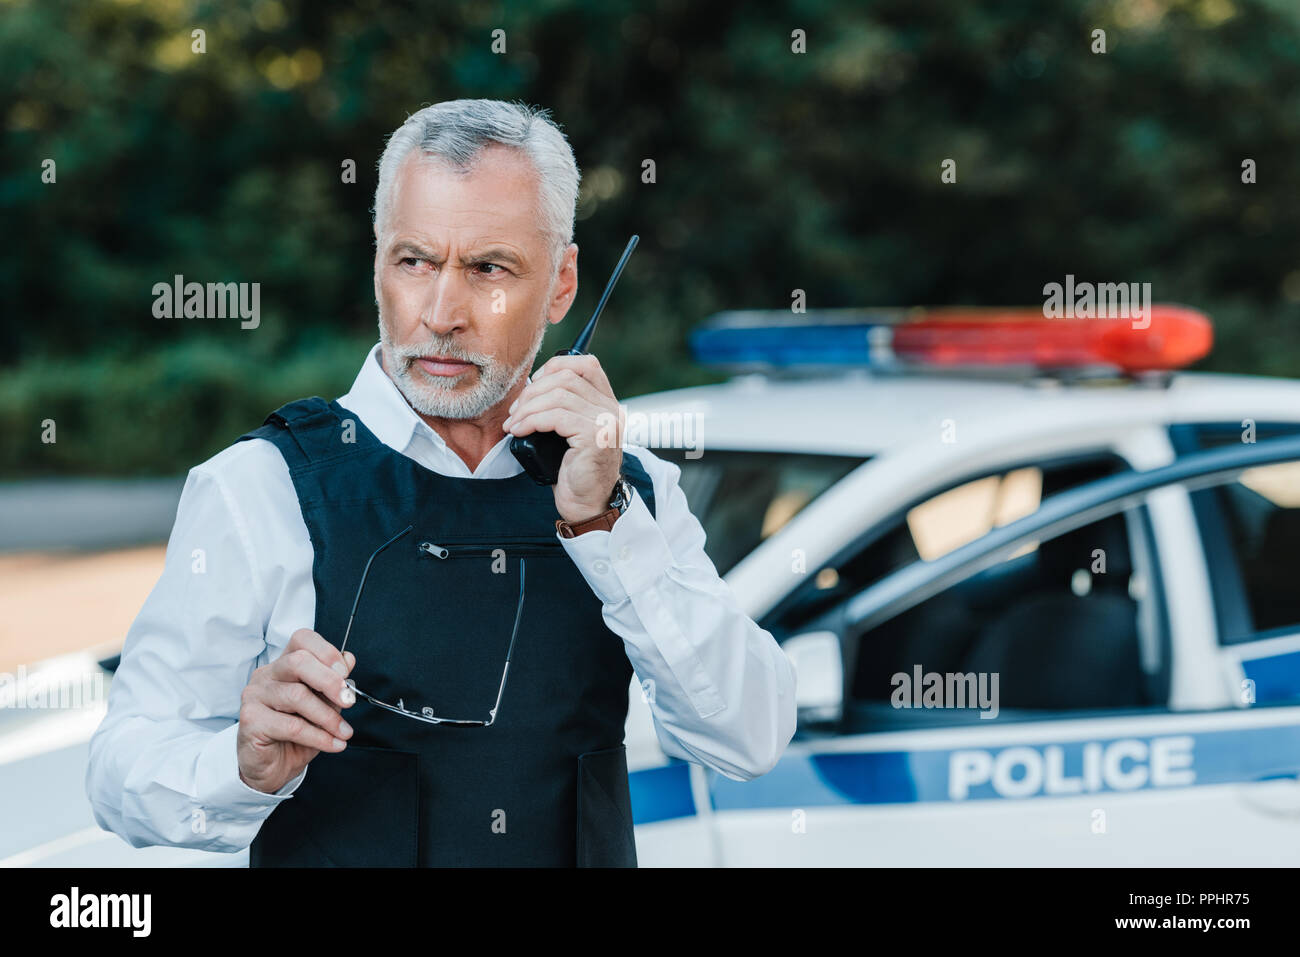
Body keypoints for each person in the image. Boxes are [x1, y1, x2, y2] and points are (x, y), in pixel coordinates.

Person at [85, 98, 796, 867]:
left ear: (561, 285)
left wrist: (605, 523)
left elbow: (750, 737)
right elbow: (121, 768)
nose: (442, 312)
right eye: (416, 260)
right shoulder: (262, 487)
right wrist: (241, 763)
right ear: (379, 261)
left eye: (489, 268)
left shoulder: (633, 492)